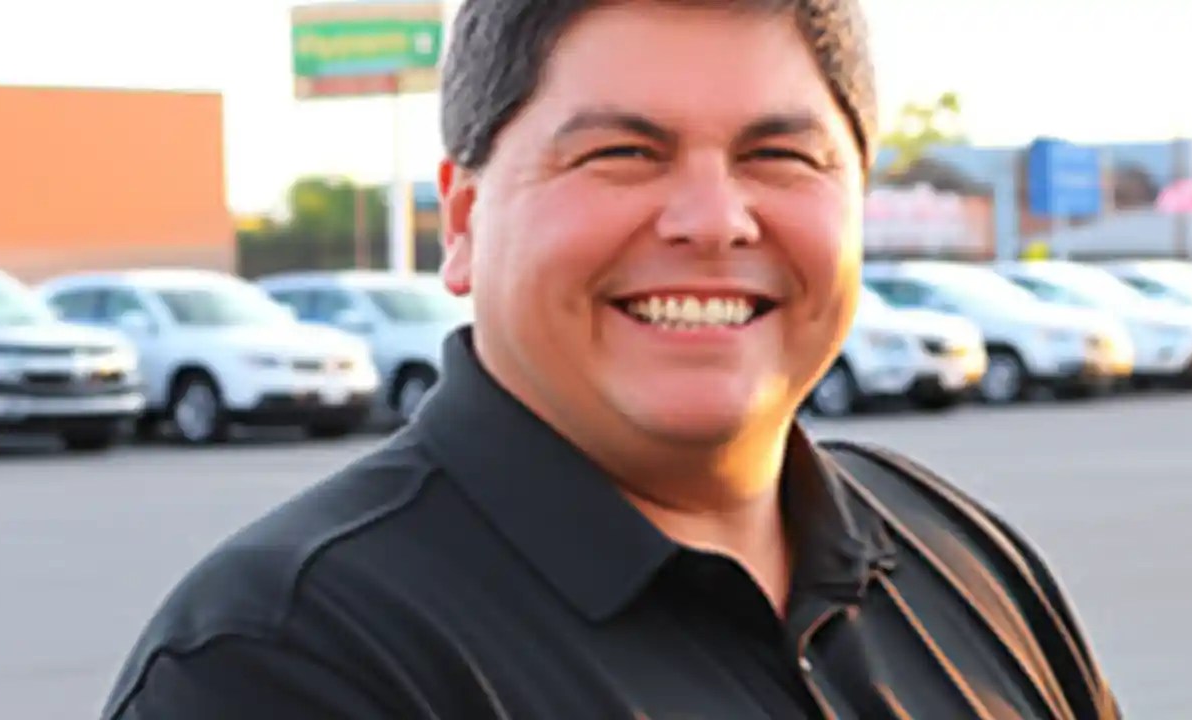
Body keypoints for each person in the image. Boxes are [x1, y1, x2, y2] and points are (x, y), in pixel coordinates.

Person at [101, 1, 1121, 718]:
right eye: (620, 154)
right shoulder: (279, 664)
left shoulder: (963, 559)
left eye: (778, 156)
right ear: (461, 220)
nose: (712, 220)